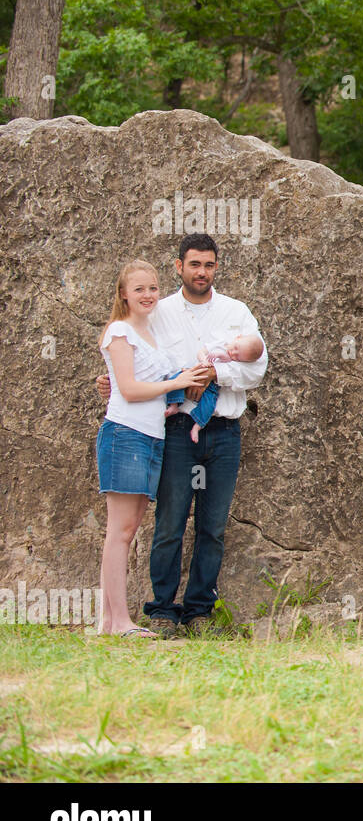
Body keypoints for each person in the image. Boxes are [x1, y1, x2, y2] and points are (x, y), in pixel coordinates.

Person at [97, 233, 268, 636]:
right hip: (173, 430)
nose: (202, 272)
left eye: (209, 265)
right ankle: (161, 609)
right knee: (169, 523)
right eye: (194, 264)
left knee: (213, 526)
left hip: (223, 432)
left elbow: (256, 369)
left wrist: (215, 373)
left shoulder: (236, 311)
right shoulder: (158, 311)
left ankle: (199, 613)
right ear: (179, 267)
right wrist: (110, 382)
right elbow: (135, 360)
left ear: (216, 267)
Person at [96, 261, 202, 637]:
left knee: (127, 530)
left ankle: (110, 621)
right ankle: (119, 622)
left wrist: (179, 387)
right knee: (120, 531)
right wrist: (178, 381)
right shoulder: (120, 331)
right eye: (139, 288)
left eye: (154, 288)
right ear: (123, 293)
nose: (148, 295)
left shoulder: (150, 333)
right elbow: (128, 389)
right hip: (126, 434)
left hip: (151, 437)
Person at [167, 334, 265, 443]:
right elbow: (201, 352)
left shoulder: (231, 358)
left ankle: (197, 426)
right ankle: (173, 405)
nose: (233, 353)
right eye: (236, 348)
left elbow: (236, 365)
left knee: (209, 406)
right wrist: (204, 360)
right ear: (238, 337)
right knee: (175, 381)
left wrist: (223, 359)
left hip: (212, 386)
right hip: (194, 371)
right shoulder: (220, 343)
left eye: (237, 357)